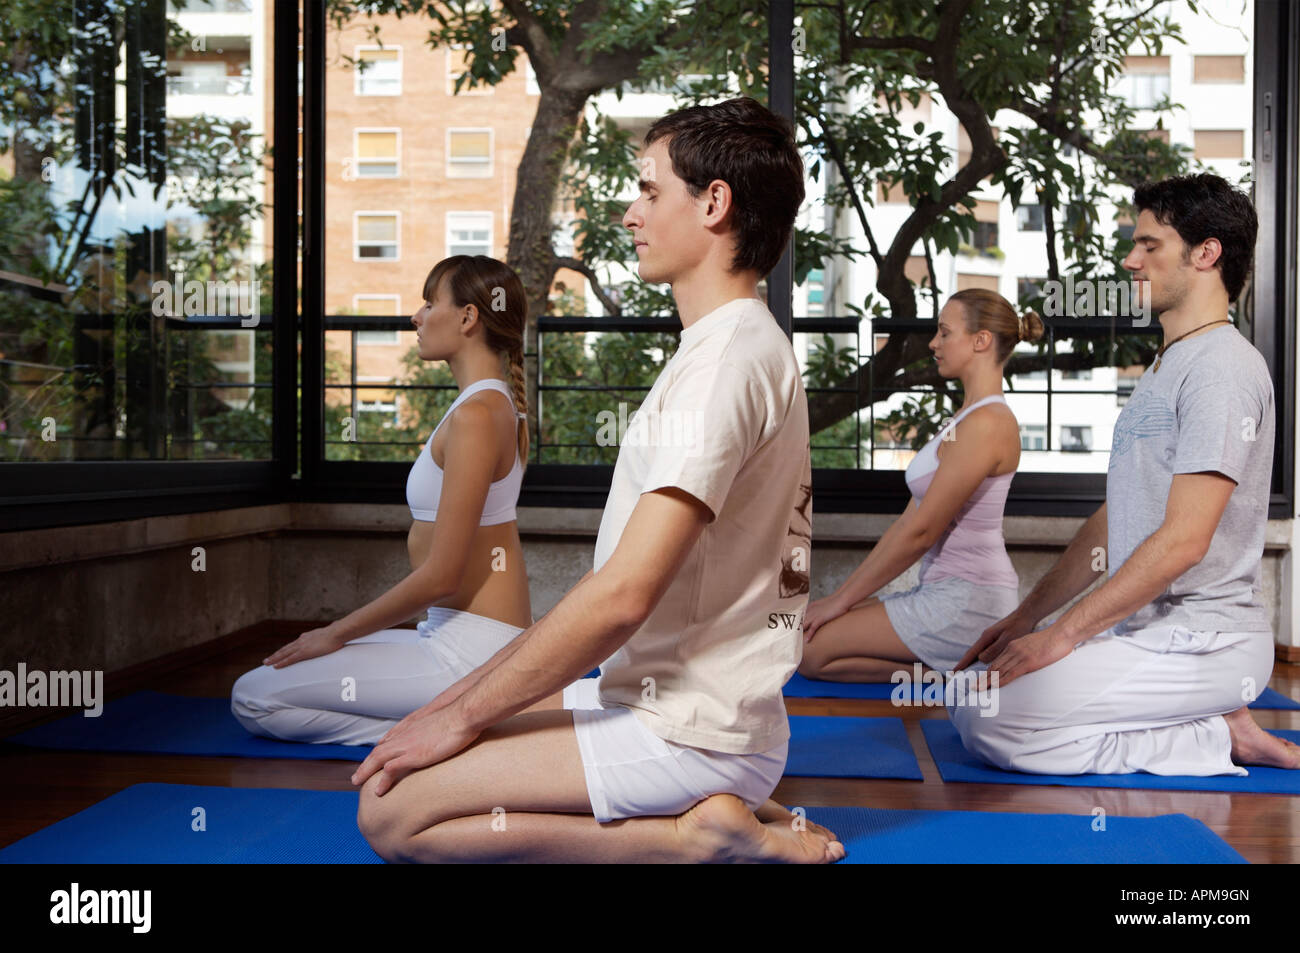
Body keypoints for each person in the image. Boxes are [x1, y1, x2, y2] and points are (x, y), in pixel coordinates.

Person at [351, 96, 845, 864]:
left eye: (649, 191)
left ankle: (691, 835)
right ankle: (722, 799)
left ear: (714, 202)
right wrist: (451, 706)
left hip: (687, 727)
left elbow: (622, 595)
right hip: (661, 699)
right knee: (424, 735)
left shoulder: (725, 362)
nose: (630, 213)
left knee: (394, 814)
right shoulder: (735, 343)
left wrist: (456, 718)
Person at [952, 173, 1300, 776]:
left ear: (1206, 253)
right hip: (1145, 630)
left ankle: (1208, 738)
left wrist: (1062, 638)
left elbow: (1185, 539)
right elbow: (1118, 519)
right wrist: (1029, 618)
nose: (1129, 258)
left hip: (1204, 639)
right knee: (971, 694)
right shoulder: (1169, 364)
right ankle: (1205, 716)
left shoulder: (1222, 369)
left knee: (990, 718)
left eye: (1149, 245)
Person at [230, 256, 534, 746]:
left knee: (253, 697)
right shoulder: (495, 405)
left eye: (430, 302)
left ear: (468, 317)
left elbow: (443, 575)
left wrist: (334, 631)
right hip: (458, 639)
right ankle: (452, 726)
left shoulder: (478, 415)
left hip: (470, 654)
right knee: (299, 666)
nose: (416, 317)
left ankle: (445, 734)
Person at [800, 290, 1040, 681]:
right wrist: (841, 600)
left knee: (811, 652)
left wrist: (841, 600)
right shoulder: (965, 418)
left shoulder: (988, 423)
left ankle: (956, 677)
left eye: (945, 333)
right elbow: (907, 525)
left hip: (969, 600)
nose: (933, 343)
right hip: (943, 591)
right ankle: (958, 673)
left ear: (981, 341)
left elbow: (922, 533)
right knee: (810, 633)